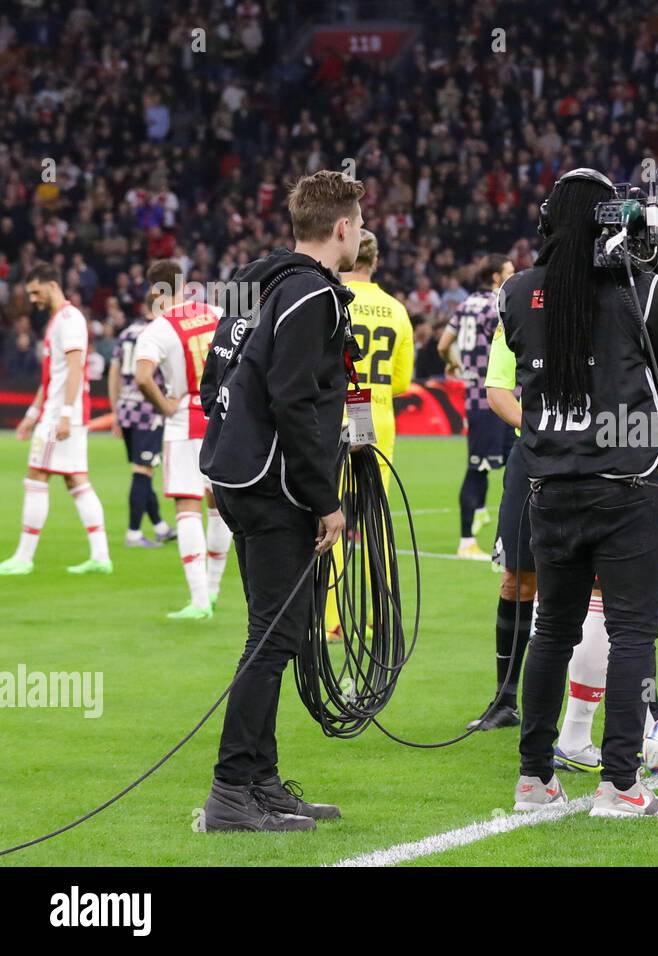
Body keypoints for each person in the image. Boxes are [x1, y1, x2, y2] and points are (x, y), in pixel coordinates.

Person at [498, 168, 658, 818]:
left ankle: (533, 778)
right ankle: (619, 784)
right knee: (633, 629)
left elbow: (546, 330)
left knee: (550, 629)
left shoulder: (518, 291)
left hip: (549, 484)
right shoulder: (637, 290)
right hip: (624, 486)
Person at [196, 170, 361, 831]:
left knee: (272, 633)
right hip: (275, 488)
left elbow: (214, 377)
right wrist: (326, 501)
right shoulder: (311, 296)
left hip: (237, 475)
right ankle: (231, 792)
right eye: (359, 225)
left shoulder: (254, 280)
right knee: (272, 639)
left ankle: (261, 782)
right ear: (343, 227)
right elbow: (293, 398)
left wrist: (233, 442)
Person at [481, 326, 658, 770]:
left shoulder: (621, 301)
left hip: (608, 456)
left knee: (613, 593)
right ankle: (507, 699)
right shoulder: (524, 309)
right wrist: (546, 429)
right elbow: (499, 390)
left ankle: (629, 710)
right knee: (520, 580)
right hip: (542, 455)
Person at [323, 228, 414, 641]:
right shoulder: (396, 310)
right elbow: (401, 382)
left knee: (330, 521)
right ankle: (380, 616)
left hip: (335, 417)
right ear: (375, 262)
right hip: (377, 419)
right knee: (375, 520)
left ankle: (332, 619)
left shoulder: (329, 300)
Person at [0, 262, 112, 577]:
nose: (33, 299)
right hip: (58, 413)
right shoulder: (58, 320)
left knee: (36, 476)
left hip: (61, 417)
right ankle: (101, 556)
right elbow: (52, 377)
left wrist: (63, 415)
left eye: (36, 292)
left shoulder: (69, 319)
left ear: (51, 284)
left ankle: (23, 557)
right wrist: (30, 415)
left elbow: (76, 368)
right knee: (76, 479)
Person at [135, 259, 230, 619]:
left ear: (155, 290)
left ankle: (199, 599)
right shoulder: (216, 311)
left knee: (187, 506)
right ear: (183, 284)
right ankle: (215, 588)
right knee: (219, 503)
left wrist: (165, 406)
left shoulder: (158, 329)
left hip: (185, 419)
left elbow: (144, 377)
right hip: (223, 415)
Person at [438, 255, 516, 559]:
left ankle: (486, 516)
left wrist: (455, 365)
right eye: (509, 273)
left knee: (508, 465)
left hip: (479, 398)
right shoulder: (496, 305)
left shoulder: (466, 304)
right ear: (496, 277)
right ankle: (467, 540)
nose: (514, 277)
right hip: (495, 398)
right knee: (480, 469)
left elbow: (443, 344)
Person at [107, 306, 173, 548]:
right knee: (142, 472)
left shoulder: (127, 333)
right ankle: (134, 533)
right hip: (149, 412)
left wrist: (116, 411)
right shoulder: (160, 332)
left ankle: (160, 526)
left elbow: (114, 372)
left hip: (125, 409)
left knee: (142, 470)